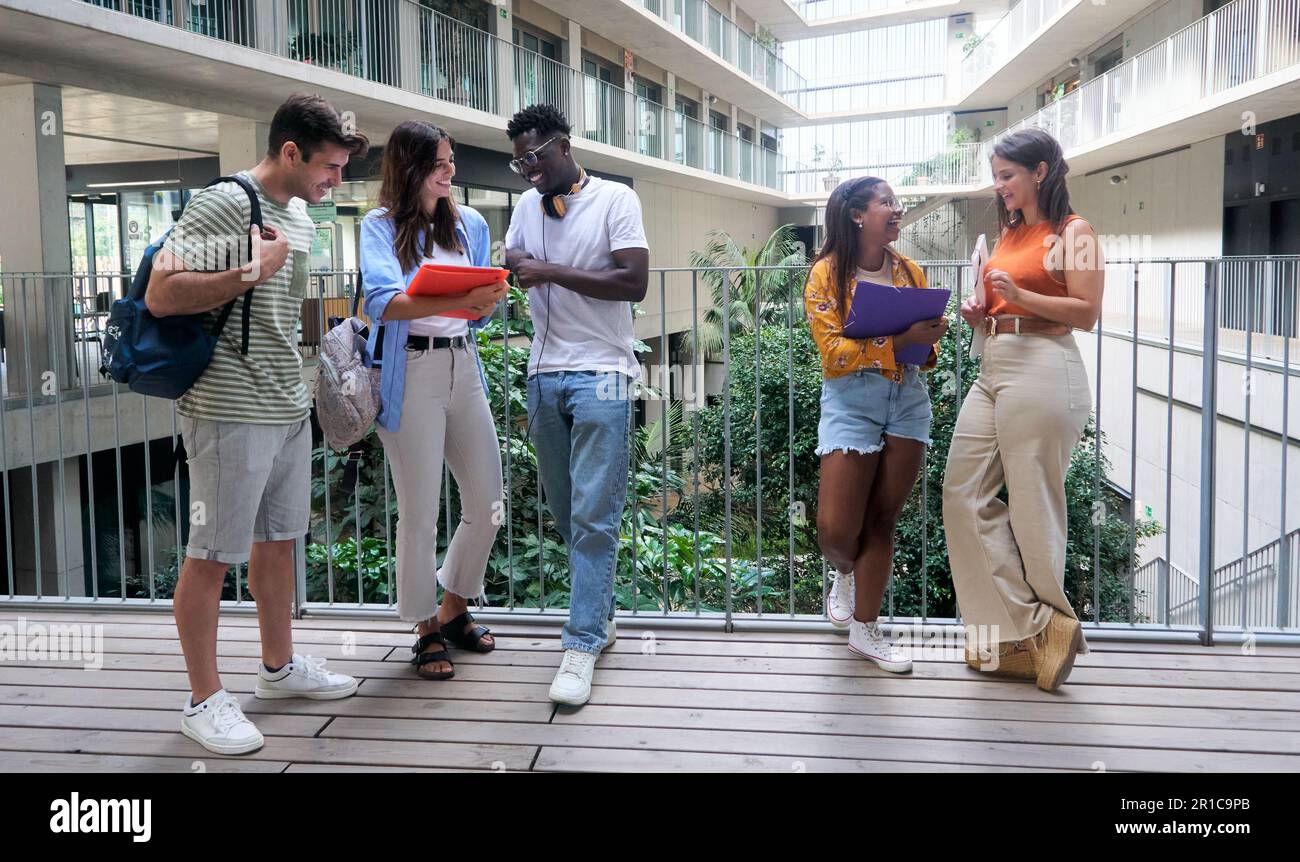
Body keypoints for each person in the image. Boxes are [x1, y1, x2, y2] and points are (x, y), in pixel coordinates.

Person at [146, 94, 369, 755]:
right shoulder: (225, 202)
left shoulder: (297, 214)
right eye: (328, 168)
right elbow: (161, 293)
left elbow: (278, 309)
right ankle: (203, 699)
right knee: (212, 554)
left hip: (286, 402)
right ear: (291, 152)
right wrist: (251, 269)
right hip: (227, 406)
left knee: (279, 541)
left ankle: (278, 670)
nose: (335, 182)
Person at [942, 127, 1104, 692]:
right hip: (996, 357)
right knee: (962, 493)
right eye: (995, 176)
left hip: (1045, 363)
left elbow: (1086, 312)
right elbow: (1000, 301)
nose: (999, 185)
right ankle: (1028, 630)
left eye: (1007, 174)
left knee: (1033, 508)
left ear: (1040, 171)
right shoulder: (1008, 231)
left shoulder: (1073, 230)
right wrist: (980, 313)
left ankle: (1029, 634)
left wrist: (1020, 294)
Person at [503, 104, 649, 706]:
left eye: (534, 156)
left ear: (563, 145)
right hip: (543, 372)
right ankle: (601, 614)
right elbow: (515, 260)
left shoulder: (616, 200)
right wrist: (520, 267)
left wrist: (551, 271)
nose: (527, 170)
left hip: (605, 372)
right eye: (518, 161)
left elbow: (633, 282)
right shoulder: (524, 208)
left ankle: (582, 641)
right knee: (567, 510)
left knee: (594, 512)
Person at [360, 120, 507, 680]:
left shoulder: (469, 223)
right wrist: (462, 295)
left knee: (488, 501)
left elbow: (482, 309)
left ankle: (454, 607)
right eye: (440, 163)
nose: (451, 171)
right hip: (410, 368)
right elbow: (382, 303)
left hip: (462, 362)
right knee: (420, 511)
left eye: (451, 162)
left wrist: (485, 297)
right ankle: (424, 628)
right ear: (412, 167)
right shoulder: (380, 227)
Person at [805, 177, 947, 673]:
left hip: (907, 396)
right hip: (851, 399)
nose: (897, 208)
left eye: (896, 202)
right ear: (857, 215)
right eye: (886, 201)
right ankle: (842, 570)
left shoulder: (911, 270)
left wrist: (927, 339)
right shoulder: (825, 274)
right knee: (836, 529)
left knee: (883, 519)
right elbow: (834, 354)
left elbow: (926, 351)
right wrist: (901, 336)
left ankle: (867, 631)